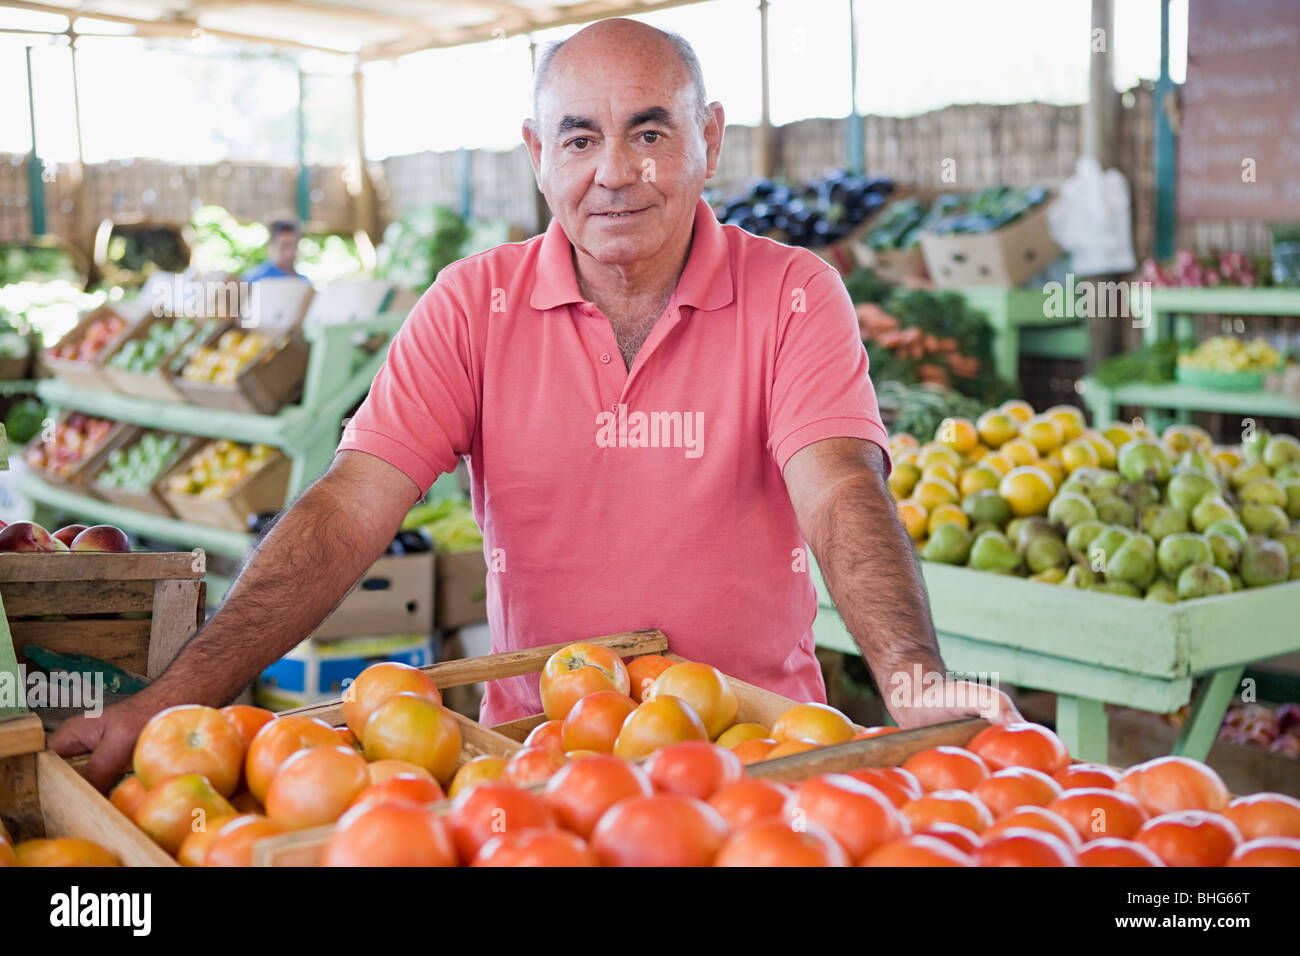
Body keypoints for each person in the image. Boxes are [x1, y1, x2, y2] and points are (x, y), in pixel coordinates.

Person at [53, 19, 1018, 791]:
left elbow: (841, 488)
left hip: (756, 756)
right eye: (580, 138)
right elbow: (347, 510)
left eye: (651, 132)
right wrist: (170, 700)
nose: (615, 171)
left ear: (709, 140)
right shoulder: (471, 305)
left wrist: (912, 678)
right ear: (537, 153)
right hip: (537, 761)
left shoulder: (794, 293)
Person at [242, 220, 306, 282]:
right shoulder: (251, 279)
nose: (290, 253)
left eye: (294, 246)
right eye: (284, 246)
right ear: (271, 246)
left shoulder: (303, 281)